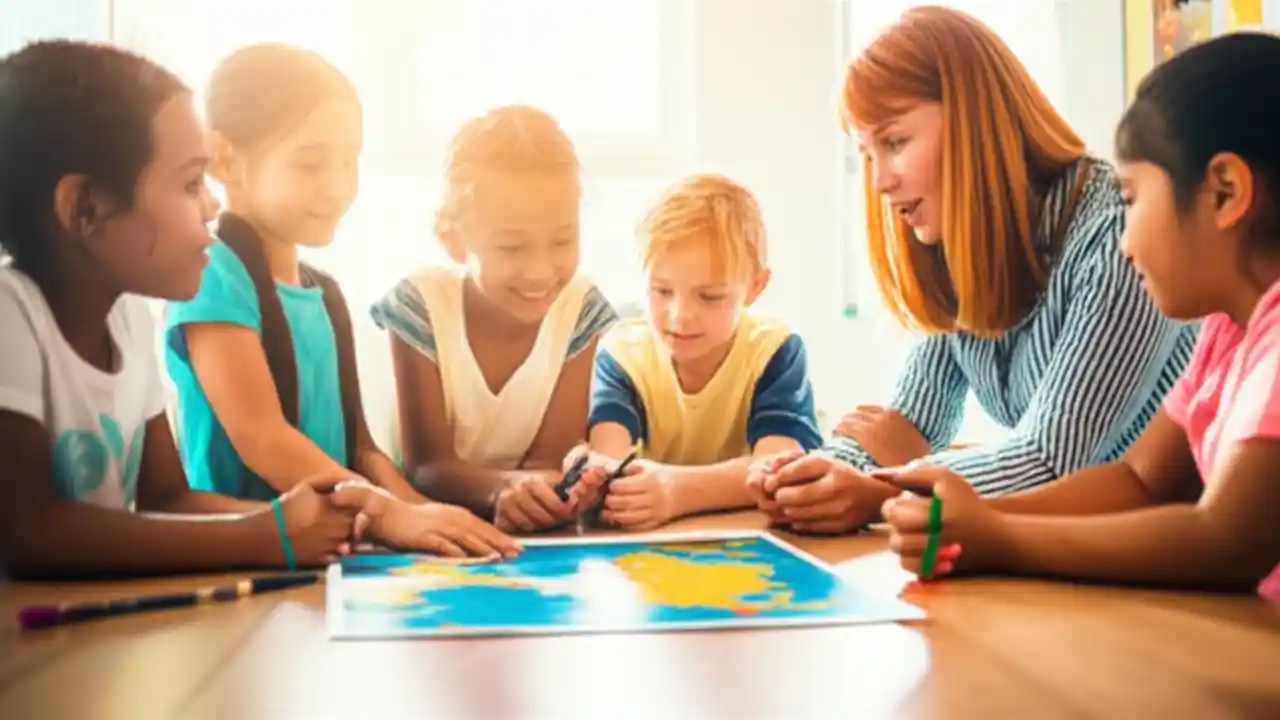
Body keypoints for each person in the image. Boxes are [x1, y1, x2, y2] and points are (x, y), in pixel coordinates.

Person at [753, 6, 1196, 535]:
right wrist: (819, 473)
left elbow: (1052, 461)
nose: (879, 183)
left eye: (894, 143)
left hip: (1170, 559)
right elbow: (910, 421)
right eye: (866, 154)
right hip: (1073, 555)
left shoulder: (1118, 235)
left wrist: (882, 489)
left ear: (974, 122)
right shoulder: (958, 244)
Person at [883, 32, 1280, 598]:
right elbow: (1140, 480)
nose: (1126, 242)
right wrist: (975, 518)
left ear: (1224, 193)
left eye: (1131, 199)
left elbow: (1225, 541)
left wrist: (1001, 537)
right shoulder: (1225, 335)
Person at [0, 40, 362, 573]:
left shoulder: (125, 320)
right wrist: (262, 536)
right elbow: (25, 528)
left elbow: (167, 500)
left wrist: (296, 527)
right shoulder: (11, 317)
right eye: (192, 183)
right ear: (86, 208)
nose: (212, 204)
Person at [165, 44, 516, 558]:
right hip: (251, 550)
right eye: (311, 163)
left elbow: (362, 451)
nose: (337, 186)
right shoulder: (214, 271)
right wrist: (390, 513)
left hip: (330, 551)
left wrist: (425, 513)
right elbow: (263, 438)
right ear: (226, 160)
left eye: (349, 161)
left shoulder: (324, 292)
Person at [372, 106, 617, 533]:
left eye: (563, 240)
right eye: (511, 248)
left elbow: (551, 459)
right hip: (428, 527)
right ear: (451, 238)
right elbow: (428, 466)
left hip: (529, 533)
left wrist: (540, 493)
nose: (541, 271)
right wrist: (503, 489)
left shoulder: (582, 308)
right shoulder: (419, 306)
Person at [584, 173, 822, 531]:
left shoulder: (774, 349)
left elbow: (776, 470)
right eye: (662, 291)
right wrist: (591, 476)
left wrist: (677, 491)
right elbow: (608, 464)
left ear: (755, 287)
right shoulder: (622, 354)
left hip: (750, 537)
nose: (680, 316)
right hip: (654, 543)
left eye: (710, 297)